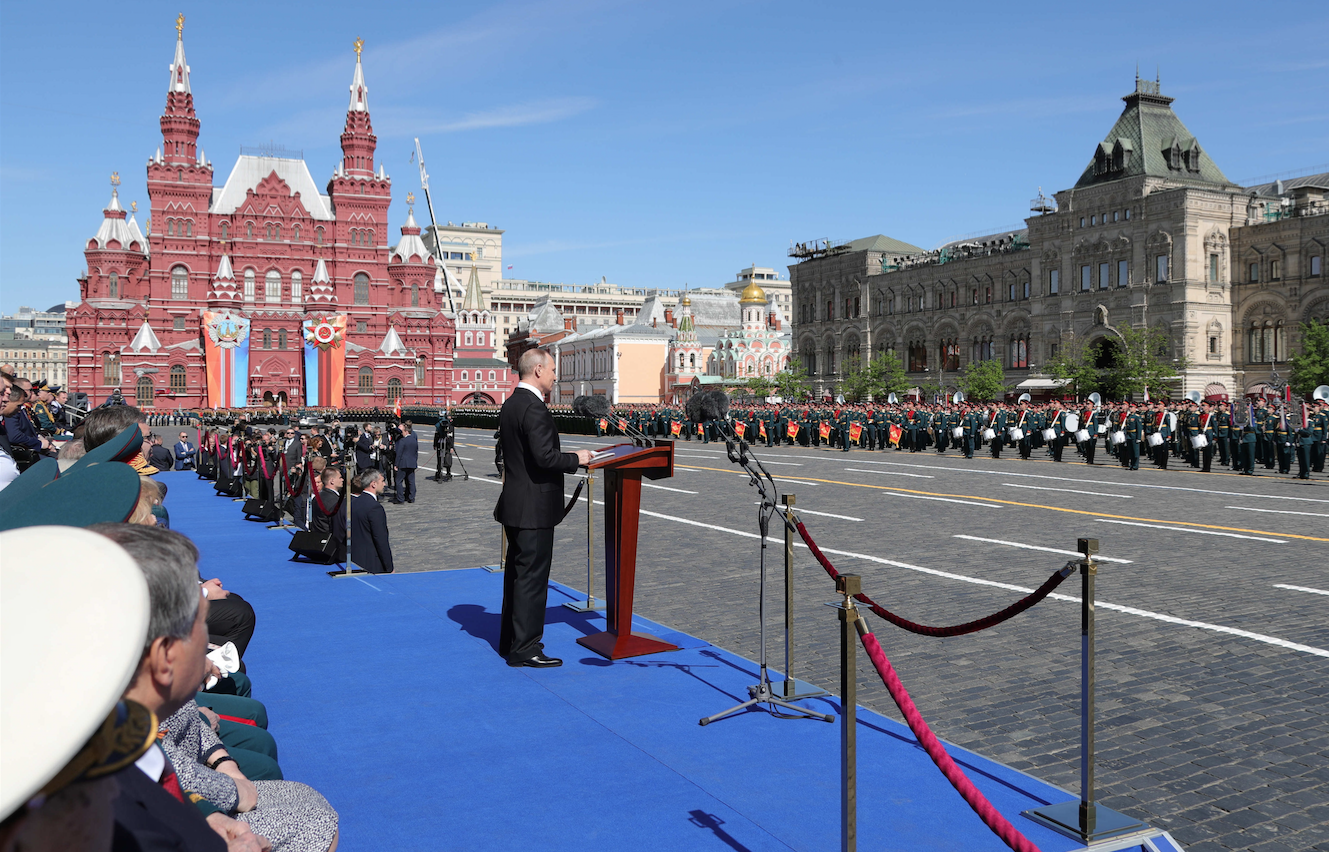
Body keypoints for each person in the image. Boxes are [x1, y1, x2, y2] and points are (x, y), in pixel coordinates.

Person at [493, 348, 593, 668]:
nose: (554, 375)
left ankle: (511, 640)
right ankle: (525, 648)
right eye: (551, 369)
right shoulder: (533, 407)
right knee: (533, 580)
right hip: (533, 507)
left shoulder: (512, 403)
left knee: (518, 577)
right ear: (537, 370)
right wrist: (577, 458)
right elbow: (544, 457)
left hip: (517, 504)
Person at [332, 470, 394, 574]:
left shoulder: (353, 502)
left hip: (354, 559)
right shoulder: (374, 507)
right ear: (373, 484)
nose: (384, 484)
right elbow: (381, 539)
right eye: (382, 481)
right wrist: (389, 567)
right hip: (372, 563)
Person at [391, 421, 418, 504]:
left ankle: (400, 498)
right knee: (411, 481)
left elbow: (399, 454)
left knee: (398, 481)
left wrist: (396, 464)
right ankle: (411, 497)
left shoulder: (403, 441)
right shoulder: (414, 440)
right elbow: (416, 453)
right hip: (412, 463)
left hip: (403, 463)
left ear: (406, 432)